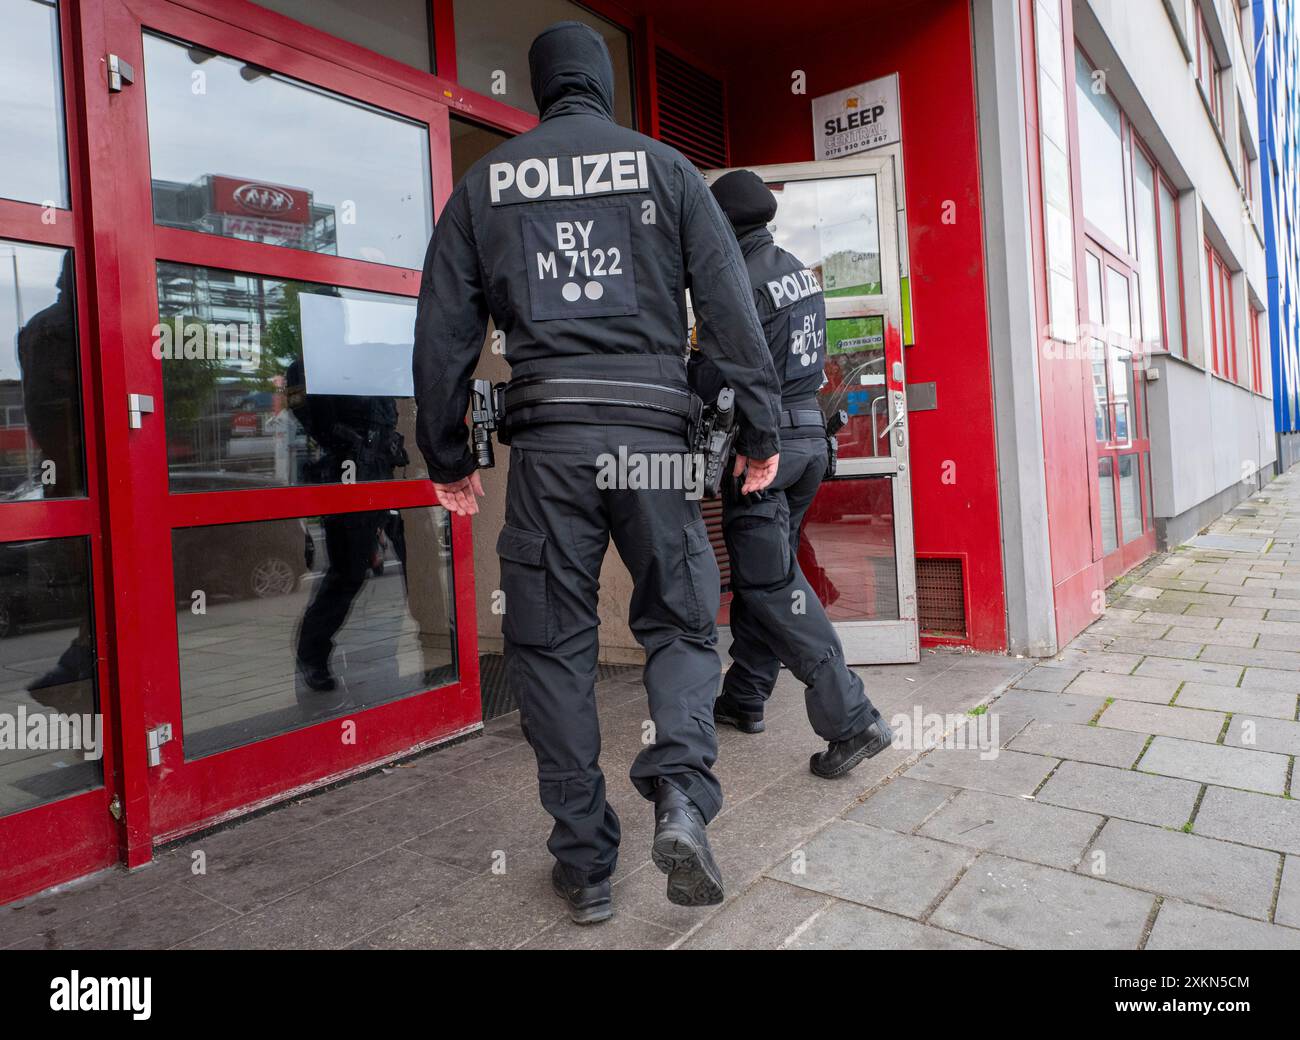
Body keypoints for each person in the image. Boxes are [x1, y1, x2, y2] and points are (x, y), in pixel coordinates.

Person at [412, 22, 782, 924]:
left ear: (541, 87)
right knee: (682, 623)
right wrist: (761, 427)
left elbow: (443, 329)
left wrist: (447, 453)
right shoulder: (667, 169)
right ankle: (682, 796)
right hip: (652, 440)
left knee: (549, 649)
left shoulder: (486, 184)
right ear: (602, 83)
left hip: (550, 448)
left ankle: (585, 865)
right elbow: (729, 307)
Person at [690, 169, 894, 779]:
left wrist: (687, 367)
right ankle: (745, 696)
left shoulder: (737, 281)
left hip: (764, 450)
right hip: (808, 441)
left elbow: (723, 375)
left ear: (722, 223)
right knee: (766, 574)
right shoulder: (798, 272)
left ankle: (852, 719)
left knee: (774, 586)